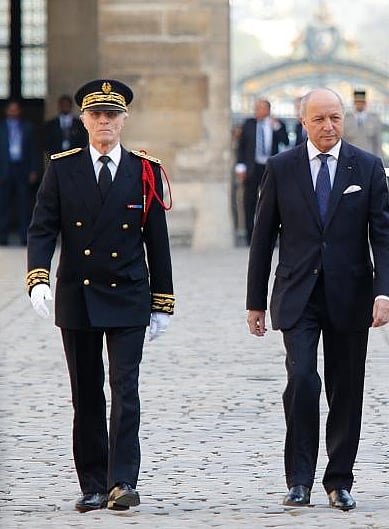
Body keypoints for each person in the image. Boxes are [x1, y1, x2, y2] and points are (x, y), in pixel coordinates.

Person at [245, 87, 389, 511]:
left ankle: (339, 481)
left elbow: (384, 236)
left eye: (335, 118)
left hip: (351, 296)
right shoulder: (281, 167)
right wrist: (255, 302)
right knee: (303, 381)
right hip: (298, 295)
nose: (329, 126)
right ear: (303, 122)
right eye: (320, 120)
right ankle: (299, 480)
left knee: (346, 389)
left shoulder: (366, 167)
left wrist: (385, 293)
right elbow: (262, 238)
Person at [26, 79, 175, 513]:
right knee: (86, 392)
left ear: (124, 120)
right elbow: (43, 228)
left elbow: (157, 242)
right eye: (96, 115)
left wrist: (162, 301)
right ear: (84, 121)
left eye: (112, 115)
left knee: (125, 389)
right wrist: (38, 277)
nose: (104, 121)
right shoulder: (63, 167)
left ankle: (122, 480)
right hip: (79, 294)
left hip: (128, 294)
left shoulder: (144, 170)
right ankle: (92, 482)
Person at [235, 98, 290, 245]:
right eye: (256, 108)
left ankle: (274, 235)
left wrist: (277, 127)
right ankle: (250, 237)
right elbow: (241, 147)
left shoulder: (277, 124)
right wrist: (240, 166)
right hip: (253, 168)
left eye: (260, 108)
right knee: (249, 202)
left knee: (273, 201)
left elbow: (286, 142)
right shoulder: (249, 124)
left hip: (270, 168)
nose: (257, 111)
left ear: (268, 110)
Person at [0, 99, 38, 246]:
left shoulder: (28, 128)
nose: (13, 112)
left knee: (24, 205)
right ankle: (2, 237)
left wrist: (34, 170)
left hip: (22, 169)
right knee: (3, 205)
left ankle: (24, 237)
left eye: (16, 110)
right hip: (4, 169)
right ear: (6, 111)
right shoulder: (1, 127)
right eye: (11, 109)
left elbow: (33, 150)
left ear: (19, 111)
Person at [343, 89, 383, 158]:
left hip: (368, 158)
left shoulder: (374, 119)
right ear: (354, 103)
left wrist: (379, 161)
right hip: (351, 158)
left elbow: (378, 143)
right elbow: (343, 141)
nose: (360, 104)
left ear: (365, 103)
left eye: (362, 102)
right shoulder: (346, 119)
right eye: (357, 102)